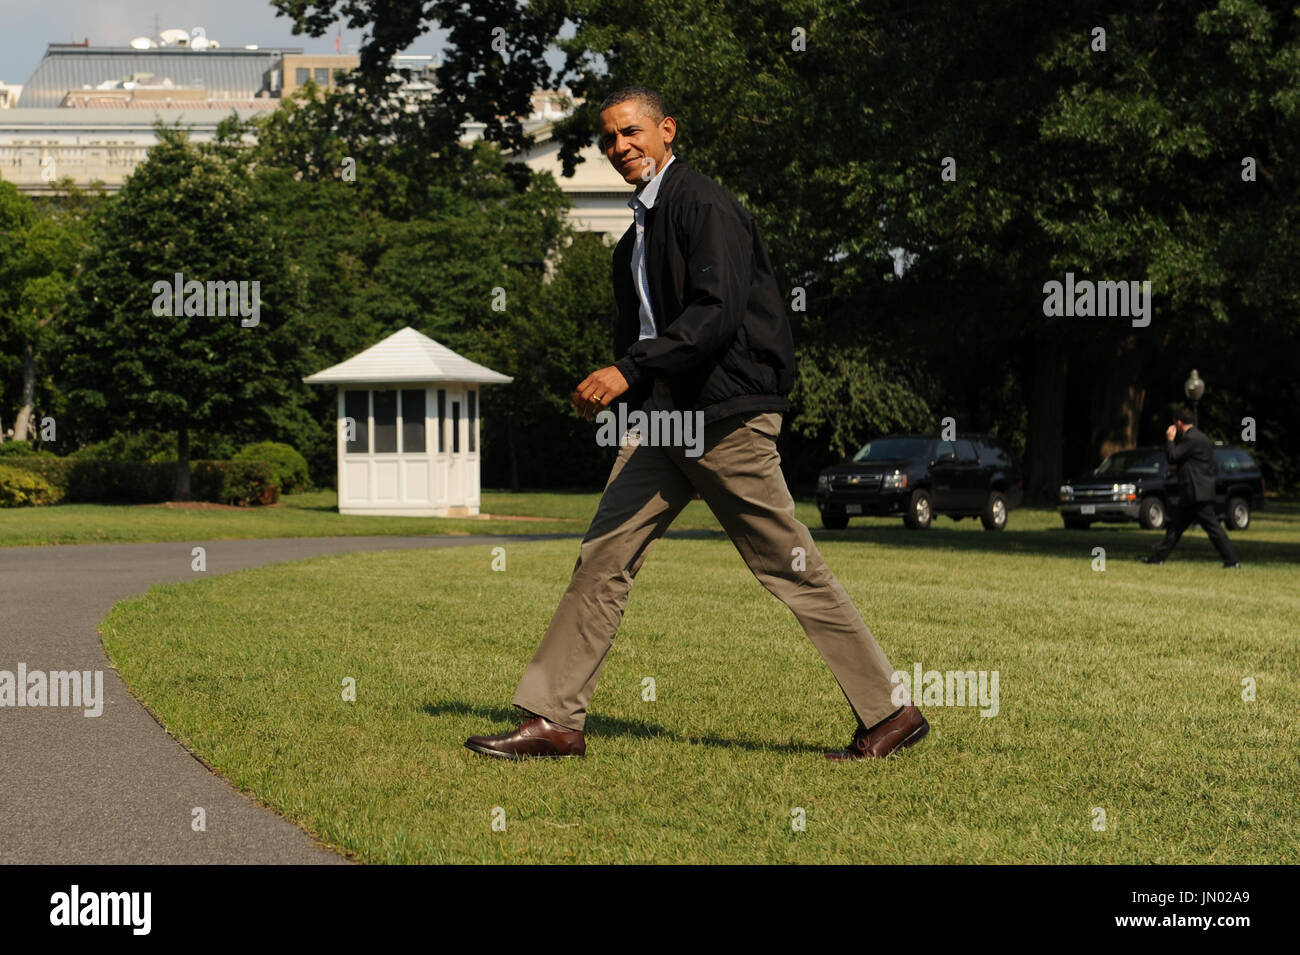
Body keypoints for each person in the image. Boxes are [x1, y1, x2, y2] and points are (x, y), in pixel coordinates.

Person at [465, 86, 927, 762]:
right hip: (666, 422)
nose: (620, 148)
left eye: (630, 133)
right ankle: (554, 719)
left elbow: (717, 311)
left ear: (666, 130)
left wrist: (626, 369)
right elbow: (654, 333)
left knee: (790, 564)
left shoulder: (703, 204)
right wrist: (628, 399)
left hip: (726, 417)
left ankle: (891, 711)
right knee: (603, 557)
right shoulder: (637, 236)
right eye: (609, 141)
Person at [1141, 408, 1241, 567]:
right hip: (1196, 491)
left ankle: (1232, 560)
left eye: (1175, 423)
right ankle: (1158, 557)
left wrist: (1169, 440)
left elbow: (1172, 456)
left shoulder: (1190, 438)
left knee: (1213, 528)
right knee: (1175, 527)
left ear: (1179, 423)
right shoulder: (1201, 437)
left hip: (1196, 492)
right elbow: (1193, 462)